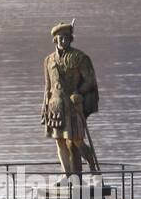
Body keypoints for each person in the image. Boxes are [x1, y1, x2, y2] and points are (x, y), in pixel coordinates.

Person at [40, 21, 99, 175]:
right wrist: (45, 106)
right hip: (55, 107)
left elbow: (90, 81)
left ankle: (91, 164)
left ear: (71, 39)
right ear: (55, 40)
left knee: (77, 141)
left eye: (67, 38)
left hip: (73, 106)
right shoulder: (48, 60)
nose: (64, 41)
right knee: (60, 142)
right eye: (61, 38)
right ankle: (67, 175)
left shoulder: (79, 57)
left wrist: (79, 92)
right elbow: (48, 86)